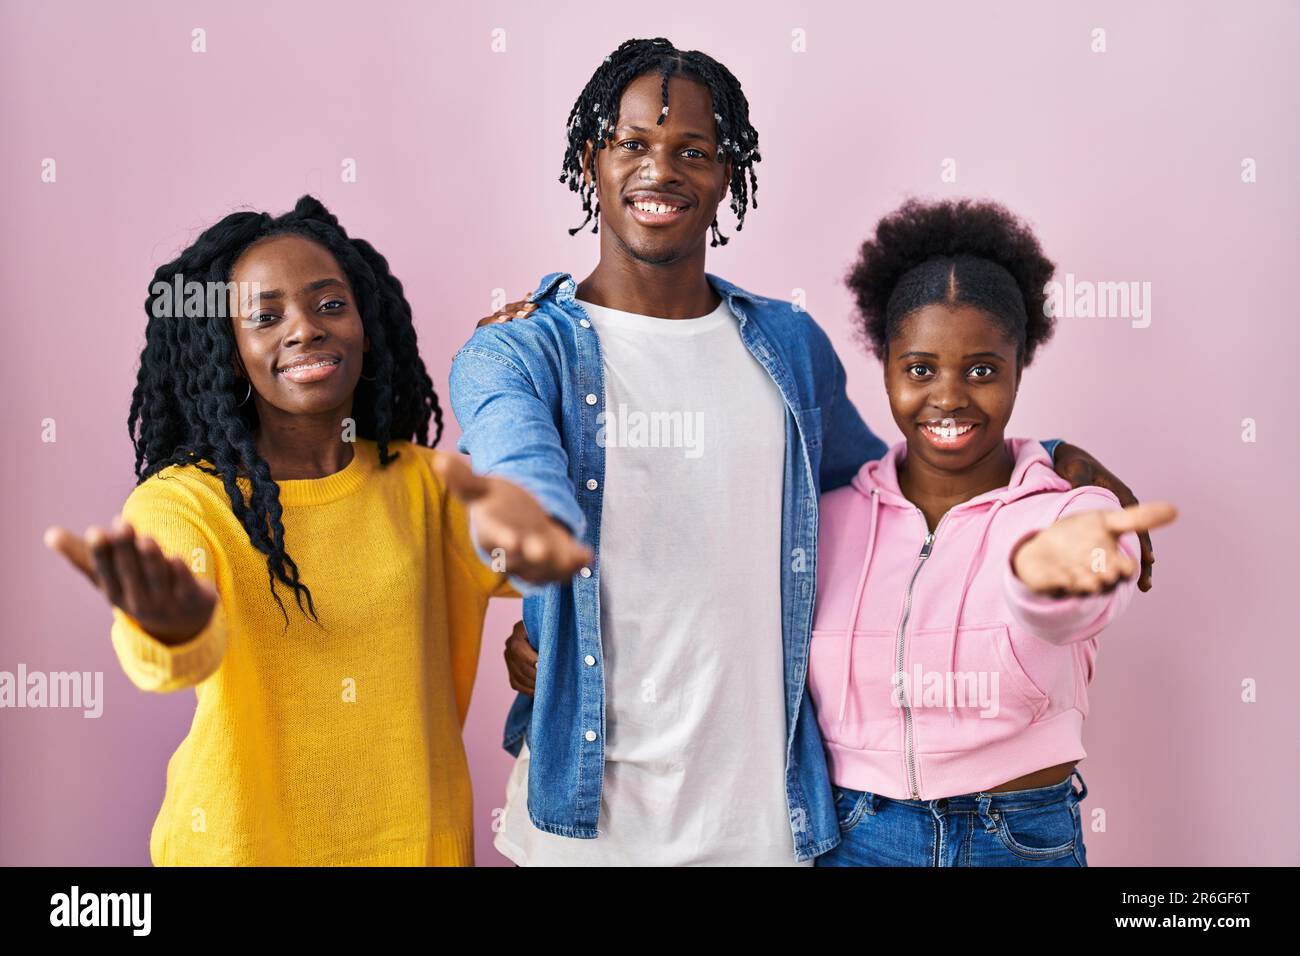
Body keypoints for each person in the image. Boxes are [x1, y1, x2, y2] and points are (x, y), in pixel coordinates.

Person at [460, 38, 1152, 865]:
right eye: (632, 144)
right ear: (590, 159)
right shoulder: (518, 351)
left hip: (766, 820)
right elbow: (515, 457)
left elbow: (895, 481)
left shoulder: (787, 348)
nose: (661, 170)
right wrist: (531, 537)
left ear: (728, 175)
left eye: (694, 151)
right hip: (589, 823)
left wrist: (1053, 459)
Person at [44, 196, 588, 866]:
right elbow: (167, 660)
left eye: (329, 304)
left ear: (367, 322)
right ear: (228, 349)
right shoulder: (183, 504)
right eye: (265, 317)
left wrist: (533, 359)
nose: (304, 329)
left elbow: (574, 568)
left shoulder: (431, 487)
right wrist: (172, 627)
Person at [809, 198, 1175, 866]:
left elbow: (1083, 587)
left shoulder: (1068, 510)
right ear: (885, 363)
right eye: (920, 368)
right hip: (857, 835)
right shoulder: (828, 519)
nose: (949, 396)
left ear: (1019, 365)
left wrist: (1048, 578)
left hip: (1018, 837)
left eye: (982, 369)